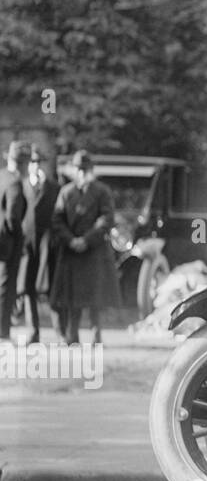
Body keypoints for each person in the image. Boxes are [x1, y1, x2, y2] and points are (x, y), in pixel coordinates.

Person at [51, 150, 122, 345]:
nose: (82, 173)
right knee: (72, 298)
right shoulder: (66, 192)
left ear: (91, 170)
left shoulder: (102, 192)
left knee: (95, 297)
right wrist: (71, 240)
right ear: (74, 171)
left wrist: (87, 239)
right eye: (79, 169)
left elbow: (106, 218)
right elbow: (57, 220)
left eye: (85, 169)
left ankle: (96, 335)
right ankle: (72, 336)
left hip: (94, 251)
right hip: (72, 251)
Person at [17, 146, 59, 343]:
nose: (36, 166)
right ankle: (33, 331)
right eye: (33, 162)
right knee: (28, 288)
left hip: (47, 245)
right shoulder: (22, 185)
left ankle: (60, 332)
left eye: (39, 162)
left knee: (50, 288)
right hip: (27, 245)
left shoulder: (53, 187)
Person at [0, 141, 31, 345]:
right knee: (6, 287)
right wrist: (21, 237)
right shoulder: (14, 182)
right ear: (22, 163)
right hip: (7, 243)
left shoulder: (1, 176)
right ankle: (2, 332)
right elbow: (13, 217)